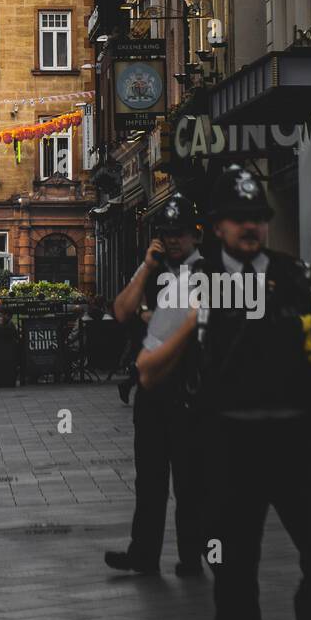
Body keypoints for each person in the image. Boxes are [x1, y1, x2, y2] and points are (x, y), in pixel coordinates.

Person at [146, 165, 311, 620]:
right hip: (229, 447)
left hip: (300, 442)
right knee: (235, 581)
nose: (251, 227)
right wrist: (196, 320)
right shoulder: (196, 284)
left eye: (258, 217)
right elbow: (148, 373)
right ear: (216, 227)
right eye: (238, 218)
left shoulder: (297, 275)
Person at [105, 192, 206, 577]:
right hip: (152, 394)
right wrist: (146, 269)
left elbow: (196, 325)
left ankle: (191, 556)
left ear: (195, 236)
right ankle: (144, 553)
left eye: (179, 233)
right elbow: (121, 311)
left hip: (189, 392)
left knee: (188, 481)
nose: (173, 240)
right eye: (167, 233)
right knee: (149, 481)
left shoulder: (206, 273)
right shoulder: (154, 269)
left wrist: (153, 318)